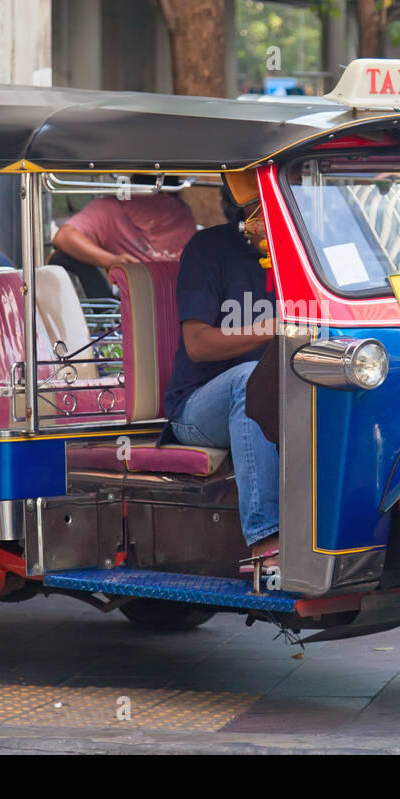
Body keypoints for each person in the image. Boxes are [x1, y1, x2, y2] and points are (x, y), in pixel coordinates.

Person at [161, 181, 280, 573]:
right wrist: (276, 327)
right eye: (261, 204)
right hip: (195, 409)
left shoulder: (297, 257)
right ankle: (266, 540)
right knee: (250, 380)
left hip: (278, 397)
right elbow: (196, 344)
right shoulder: (208, 250)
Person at [50, 174, 197, 297]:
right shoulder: (109, 209)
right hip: (132, 302)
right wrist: (112, 261)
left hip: (181, 298)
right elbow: (64, 237)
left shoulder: (183, 213)